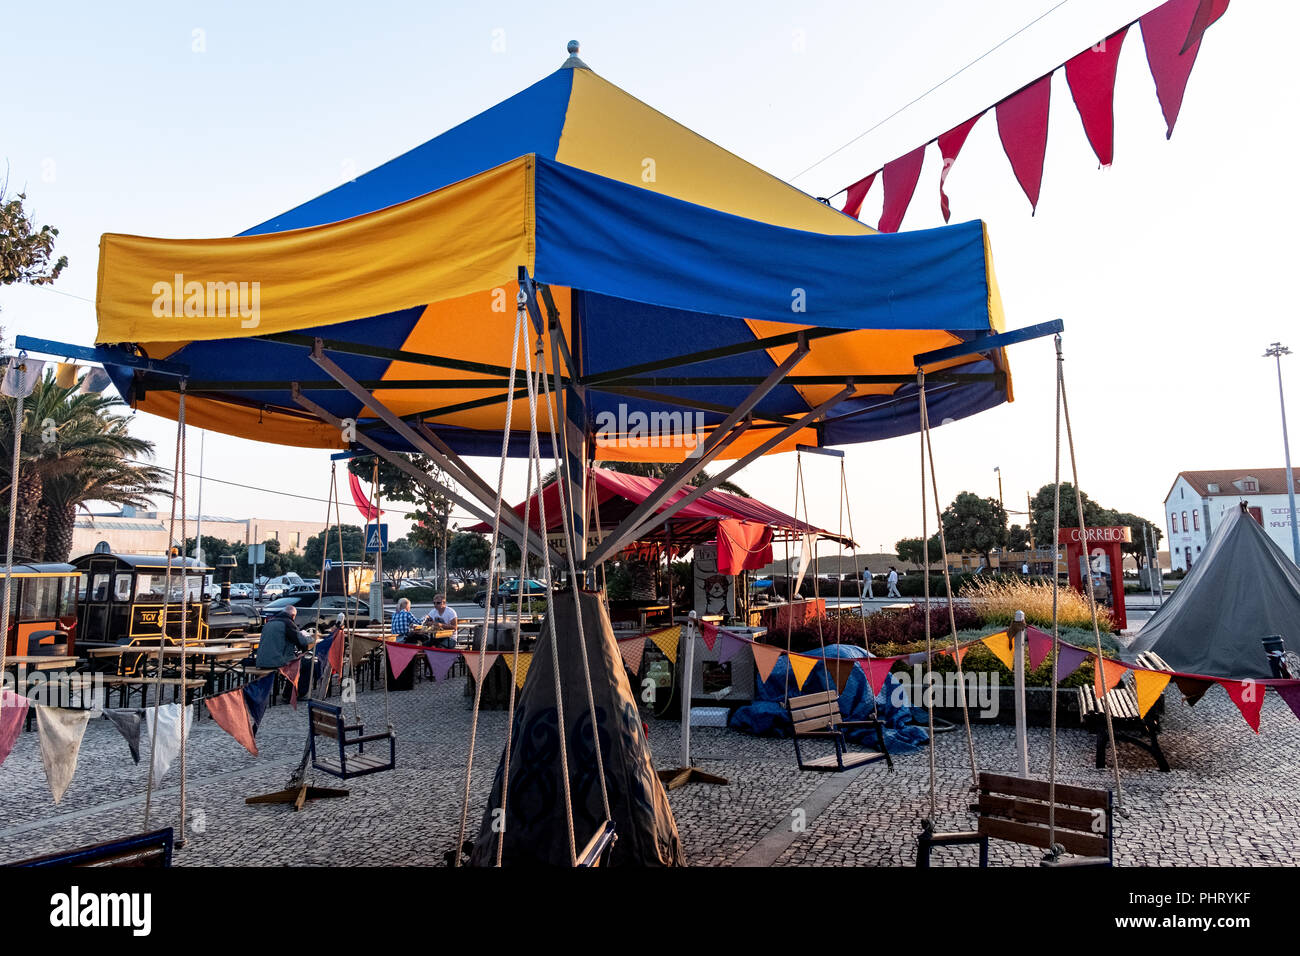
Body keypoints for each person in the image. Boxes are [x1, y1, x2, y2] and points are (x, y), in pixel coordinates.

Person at [256, 604, 312, 702]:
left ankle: (288, 693)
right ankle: (293, 694)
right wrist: (307, 641)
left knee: (296, 662)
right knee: (306, 664)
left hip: (261, 660)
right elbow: (301, 641)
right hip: (277, 661)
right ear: (293, 616)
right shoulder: (288, 623)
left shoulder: (269, 622)